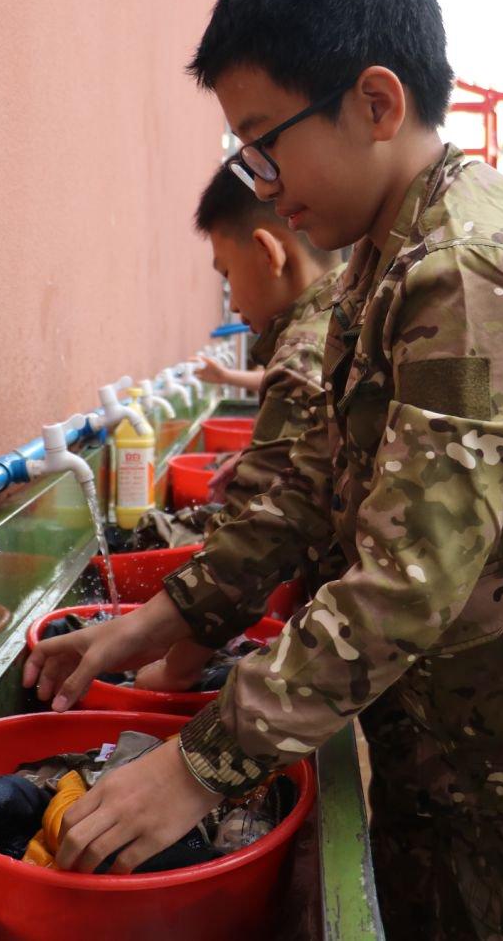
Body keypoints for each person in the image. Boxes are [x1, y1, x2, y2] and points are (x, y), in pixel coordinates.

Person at [24, 0, 503, 940]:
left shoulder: (466, 269)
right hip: (458, 737)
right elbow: (309, 488)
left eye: (265, 141)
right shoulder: (381, 264)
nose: (262, 181)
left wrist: (200, 766)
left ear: (376, 103)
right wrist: (160, 621)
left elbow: (409, 578)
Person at [136, 165, 342, 691]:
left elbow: (254, 536)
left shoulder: (302, 352)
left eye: (226, 274)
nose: (230, 301)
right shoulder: (344, 314)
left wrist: (175, 668)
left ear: (269, 253)